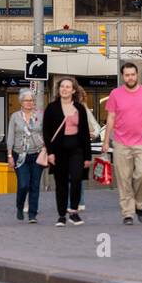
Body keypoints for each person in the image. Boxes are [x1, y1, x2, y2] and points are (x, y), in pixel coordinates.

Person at [102, 61, 142, 225]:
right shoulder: (115, 94)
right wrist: (106, 141)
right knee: (124, 178)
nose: (130, 77)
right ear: (123, 77)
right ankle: (128, 213)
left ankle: (139, 204)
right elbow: (111, 118)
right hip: (121, 142)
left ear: (137, 75)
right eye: (127, 75)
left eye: (133, 74)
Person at [42, 77, 92, 227]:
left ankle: (74, 211)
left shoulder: (79, 108)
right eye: (62, 86)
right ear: (59, 90)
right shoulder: (51, 108)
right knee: (61, 183)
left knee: (76, 179)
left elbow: (84, 132)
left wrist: (87, 156)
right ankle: (61, 215)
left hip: (76, 149)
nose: (64, 89)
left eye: (68, 87)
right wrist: (50, 152)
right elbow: (46, 132)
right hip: (58, 150)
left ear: (73, 90)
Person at [6, 89, 45, 223]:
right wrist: (10, 155)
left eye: (31, 100)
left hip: (37, 154)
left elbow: (46, 133)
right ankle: (20, 205)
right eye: (26, 100)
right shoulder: (15, 116)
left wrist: (47, 148)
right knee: (23, 184)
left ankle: (32, 214)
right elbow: (10, 136)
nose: (29, 103)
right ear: (21, 102)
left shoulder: (40, 115)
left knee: (35, 185)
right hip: (20, 155)